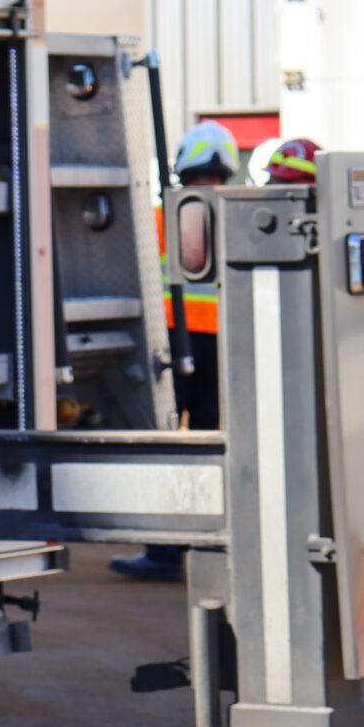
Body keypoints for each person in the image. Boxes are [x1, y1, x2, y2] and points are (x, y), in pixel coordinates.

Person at [112, 120, 238, 582]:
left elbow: (138, 276)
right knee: (214, 440)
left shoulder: (168, 212)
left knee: (163, 438)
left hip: (174, 338)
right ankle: (213, 543)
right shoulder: (239, 213)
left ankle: (165, 549)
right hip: (226, 343)